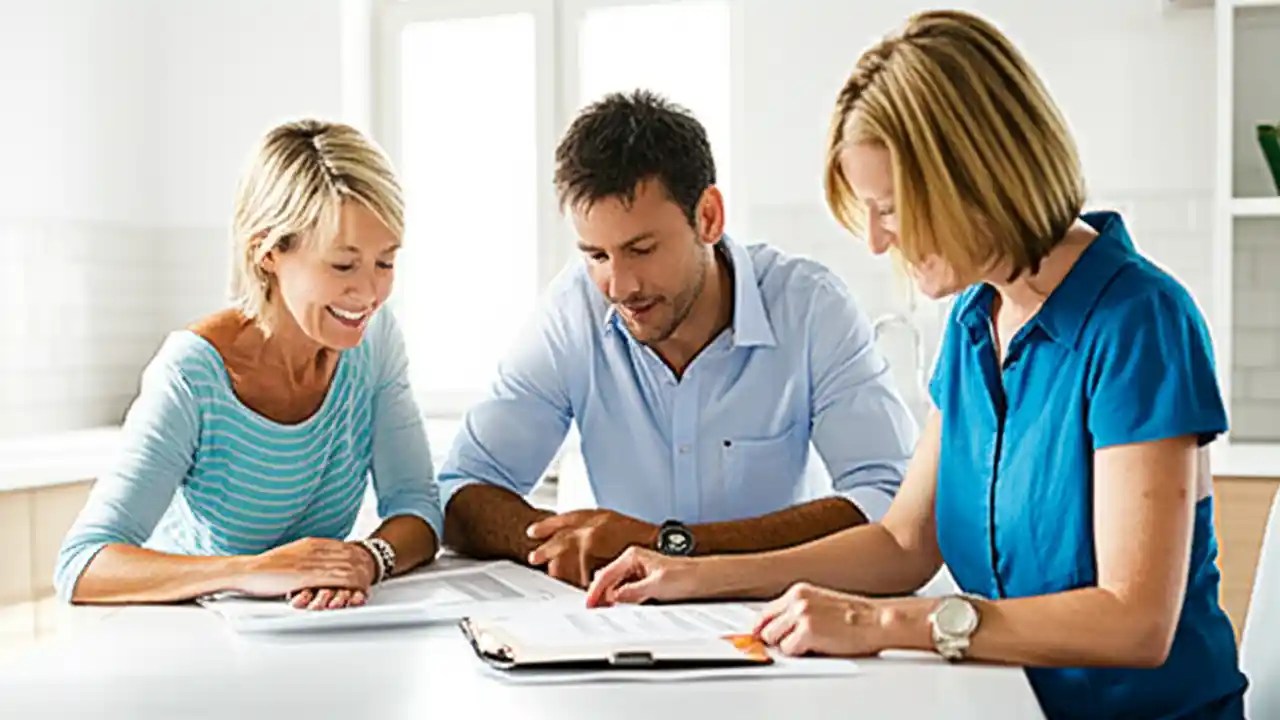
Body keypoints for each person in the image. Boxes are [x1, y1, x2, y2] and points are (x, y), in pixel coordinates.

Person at [585, 11, 1247, 719]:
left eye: (891, 209)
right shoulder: (975, 322)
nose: (876, 242)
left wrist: (878, 624)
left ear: (977, 177)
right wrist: (698, 575)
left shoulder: (1139, 322)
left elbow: (1134, 621)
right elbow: (904, 542)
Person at [438, 90, 918, 588]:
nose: (619, 287)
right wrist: (560, 544)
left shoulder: (811, 308)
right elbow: (460, 490)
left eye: (641, 249)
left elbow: (889, 501)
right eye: (596, 256)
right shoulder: (574, 311)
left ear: (708, 216)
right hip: (618, 628)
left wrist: (671, 545)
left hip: (777, 622)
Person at [54, 119, 442, 611]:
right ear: (268, 253)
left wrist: (367, 559)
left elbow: (417, 506)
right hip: (189, 640)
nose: (369, 293)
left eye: (385, 263)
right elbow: (82, 564)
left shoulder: (376, 344)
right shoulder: (191, 377)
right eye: (343, 265)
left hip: (309, 634)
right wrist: (254, 571)